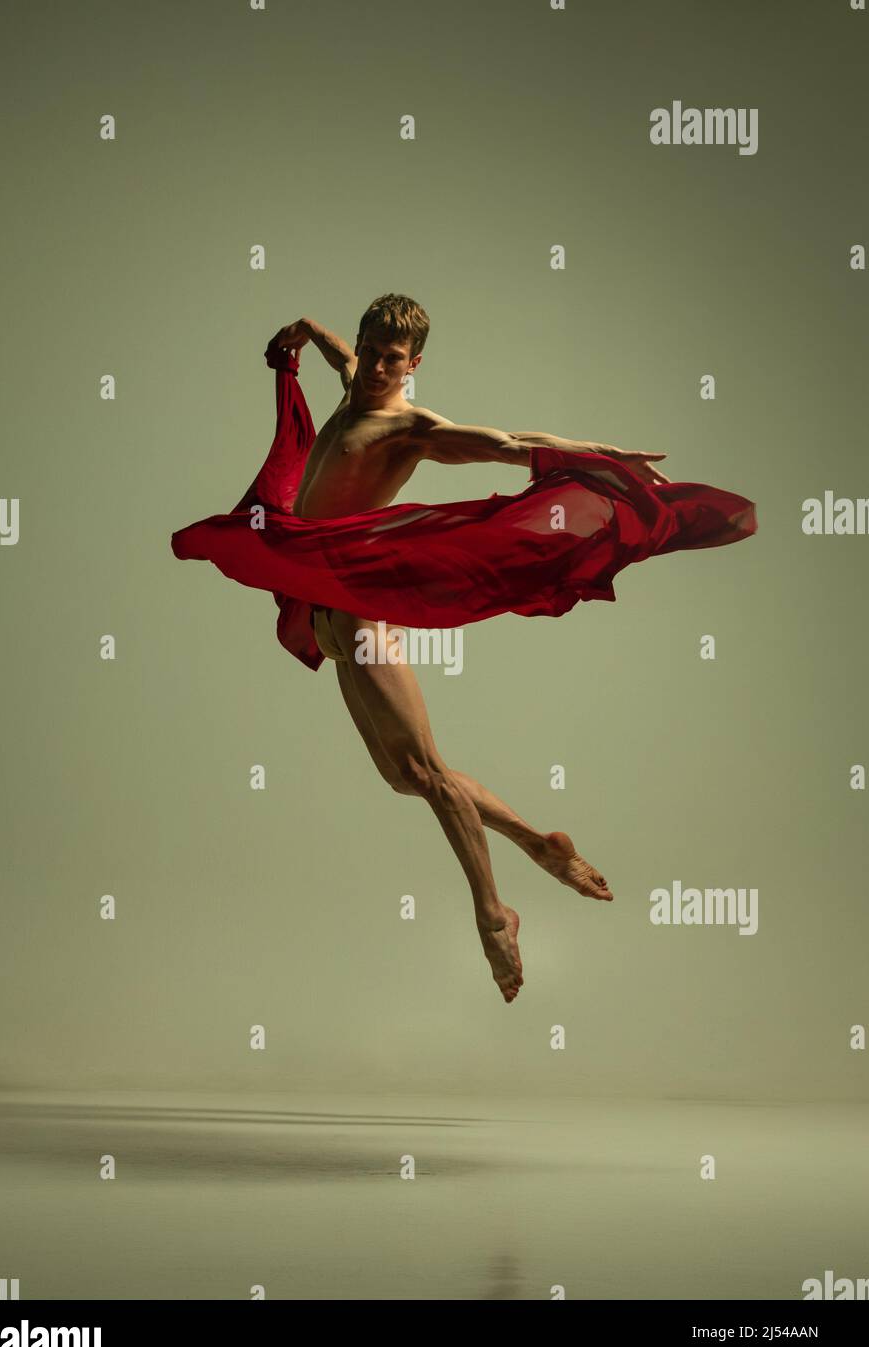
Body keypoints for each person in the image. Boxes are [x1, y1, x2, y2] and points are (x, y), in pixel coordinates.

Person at [173, 292, 757, 1004]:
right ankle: (539, 844)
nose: (377, 368)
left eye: (394, 360)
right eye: (370, 351)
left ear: (412, 367)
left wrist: (598, 455)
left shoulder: (408, 427)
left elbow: (509, 445)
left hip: (357, 610)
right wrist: (308, 331)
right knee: (404, 778)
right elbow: (343, 359)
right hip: (321, 606)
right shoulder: (355, 381)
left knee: (427, 769)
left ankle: (492, 912)